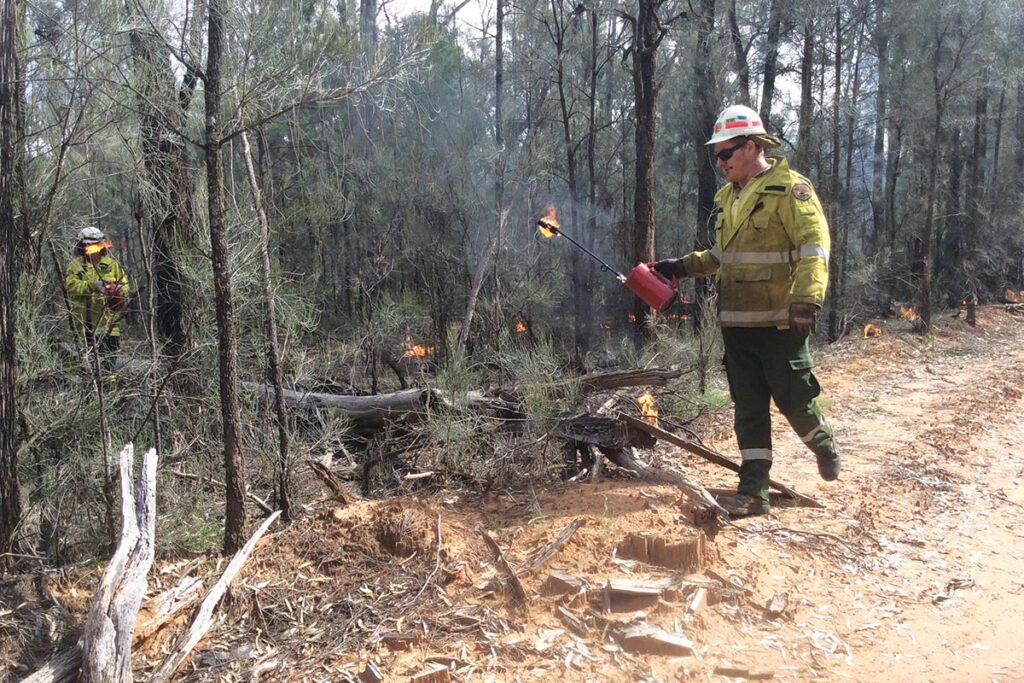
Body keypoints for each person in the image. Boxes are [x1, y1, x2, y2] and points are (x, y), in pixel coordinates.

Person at [652, 104, 839, 517]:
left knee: (795, 401)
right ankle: (754, 492)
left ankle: (822, 443)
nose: (719, 163)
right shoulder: (728, 198)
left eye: (726, 153)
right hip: (736, 325)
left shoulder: (791, 191)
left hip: (779, 323)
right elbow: (723, 256)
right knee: (748, 409)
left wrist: (806, 301)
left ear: (752, 146)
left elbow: (814, 249)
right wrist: (680, 267)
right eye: (716, 155)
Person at [65, 227, 129, 369]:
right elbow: (71, 287)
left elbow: (125, 286)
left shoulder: (112, 265)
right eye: (88, 245)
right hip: (83, 323)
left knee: (108, 362)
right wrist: (92, 285)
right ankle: (87, 388)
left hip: (108, 324)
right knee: (86, 363)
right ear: (81, 247)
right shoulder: (75, 266)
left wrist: (115, 291)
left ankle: (109, 388)